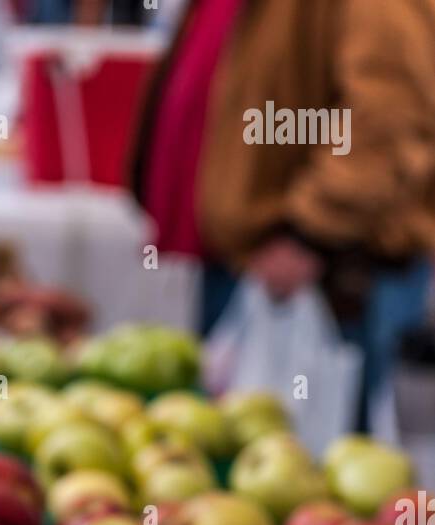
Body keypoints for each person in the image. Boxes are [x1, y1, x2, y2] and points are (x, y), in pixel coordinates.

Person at [129, 0, 435, 403]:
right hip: (248, 256)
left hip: (320, 268)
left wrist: (311, 233)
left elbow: (391, 117)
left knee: (313, 445)